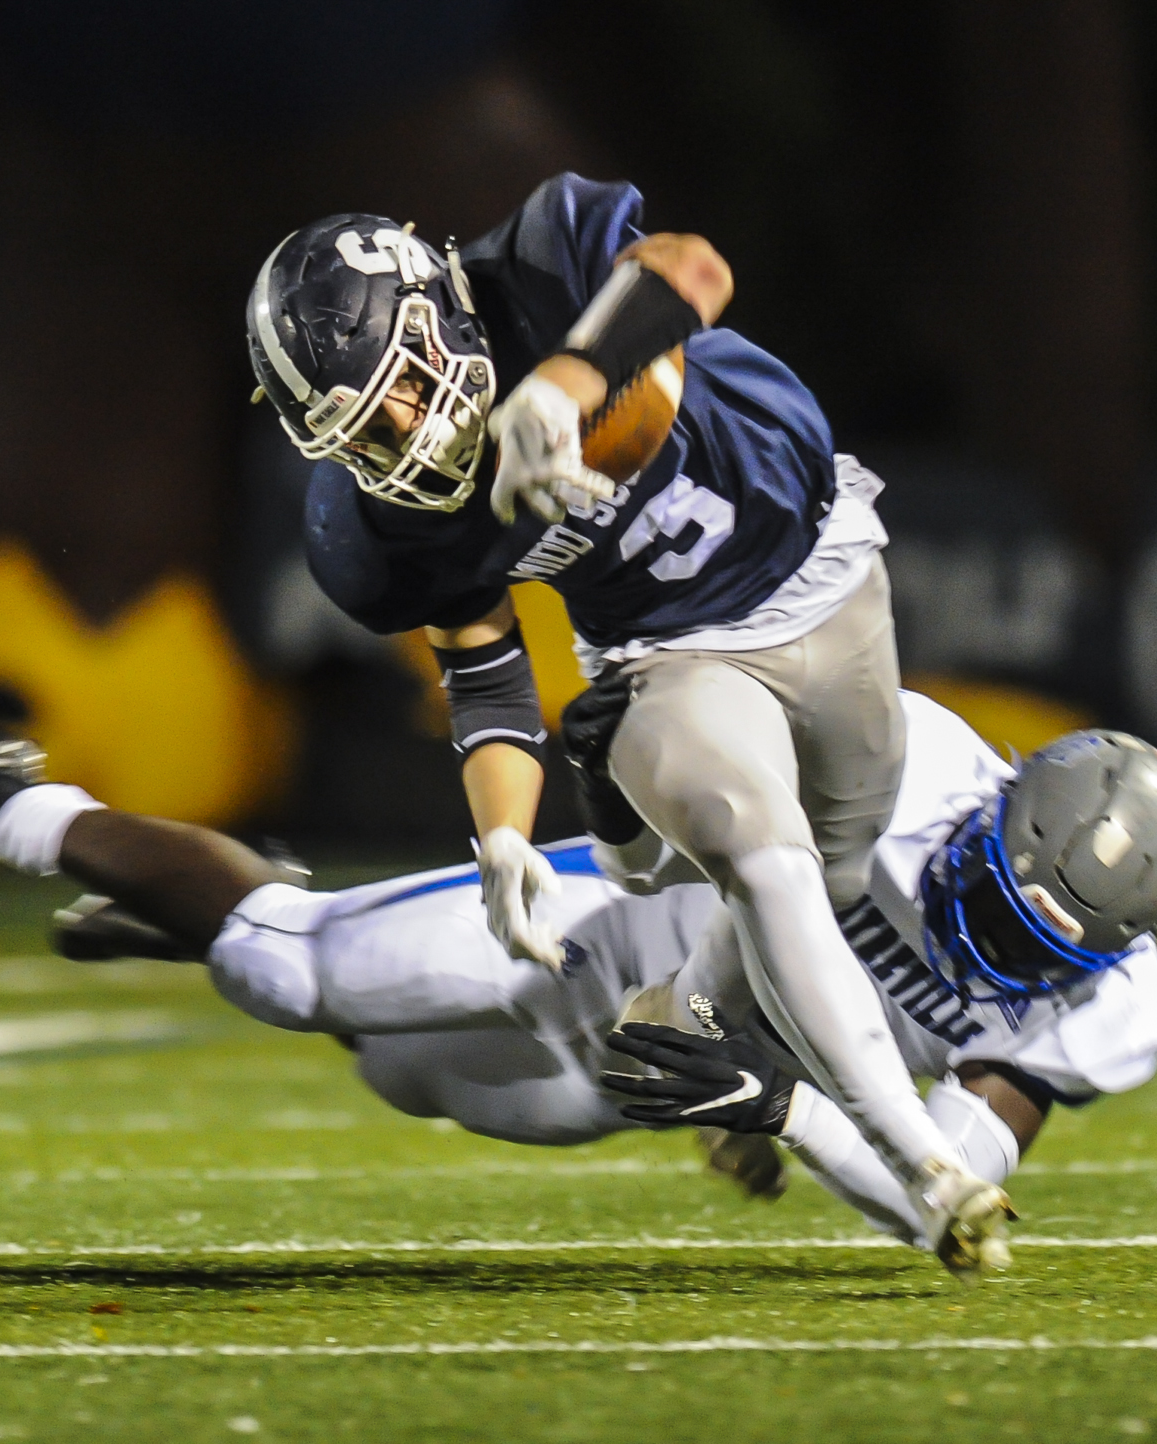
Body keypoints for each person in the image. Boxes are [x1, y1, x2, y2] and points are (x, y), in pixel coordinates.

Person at [241, 172, 1003, 1263]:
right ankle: (928, 1168)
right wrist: (500, 833)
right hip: (666, 653)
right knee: (766, 865)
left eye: (404, 386)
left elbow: (694, 268)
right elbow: (485, 671)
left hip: (823, 567)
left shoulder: (532, 276)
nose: (403, 437)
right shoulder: (382, 535)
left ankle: (681, 1011)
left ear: (439, 313)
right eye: (364, 434)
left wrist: (566, 377)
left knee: (831, 870)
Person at [0, 694, 1157, 1273]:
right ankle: (6, 811)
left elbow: (939, 1211)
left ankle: (215, 898)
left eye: (1038, 948)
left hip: (653, 1068)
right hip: (610, 923)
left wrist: (780, 1108)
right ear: (990, 813)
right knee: (295, 972)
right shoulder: (901, 762)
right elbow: (706, 768)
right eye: (995, 906)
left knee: (398, 1070)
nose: (994, 952)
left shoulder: (1103, 1018)